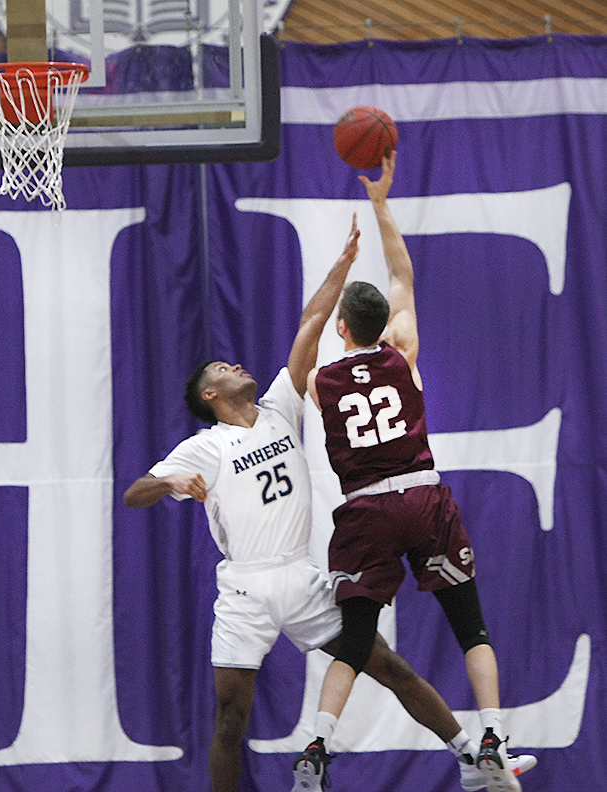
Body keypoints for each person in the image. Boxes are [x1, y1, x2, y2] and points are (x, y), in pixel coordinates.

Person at [124, 215, 535, 792]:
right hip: (244, 587)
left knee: (385, 663)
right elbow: (133, 492)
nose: (236, 365)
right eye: (223, 369)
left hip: (299, 573)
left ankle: (469, 753)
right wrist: (170, 484)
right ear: (210, 395)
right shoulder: (204, 448)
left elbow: (312, 323)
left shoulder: (281, 404)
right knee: (231, 714)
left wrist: (341, 266)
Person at [297, 151, 531, 792]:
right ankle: (491, 738)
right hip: (423, 499)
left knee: (355, 639)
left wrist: (333, 279)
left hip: (367, 510)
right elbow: (402, 272)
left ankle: (317, 749)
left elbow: (306, 334)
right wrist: (380, 204)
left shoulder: (321, 378)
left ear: (343, 328)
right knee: (470, 623)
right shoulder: (404, 348)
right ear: (382, 325)